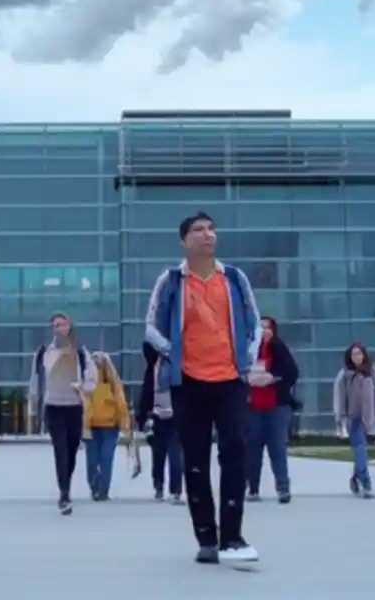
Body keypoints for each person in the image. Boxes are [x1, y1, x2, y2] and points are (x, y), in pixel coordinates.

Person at [145, 211, 262, 565]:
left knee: (235, 452)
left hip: (229, 380)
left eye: (212, 228)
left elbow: (255, 324)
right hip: (189, 382)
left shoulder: (234, 279)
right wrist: (173, 354)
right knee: (194, 460)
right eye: (198, 230)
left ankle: (234, 537)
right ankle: (206, 538)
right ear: (184, 240)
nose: (207, 235)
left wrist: (245, 361)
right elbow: (151, 327)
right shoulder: (171, 281)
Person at [27, 312, 97, 515]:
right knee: (60, 448)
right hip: (53, 406)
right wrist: (34, 406)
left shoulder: (81, 352)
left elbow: (91, 379)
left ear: (69, 326)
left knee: (72, 449)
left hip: (74, 406)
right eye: (56, 325)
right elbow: (35, 380)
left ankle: (66, 483)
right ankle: (64, 493)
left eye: (62, 324)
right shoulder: (43, 353)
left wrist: (82, 386)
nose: (59, 329)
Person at [246, 316, 300, 504]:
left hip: (276, 405)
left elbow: (292, 373)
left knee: (277, 447)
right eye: (260, 328)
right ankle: (252, 488)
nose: (264, 332)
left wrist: (273, 379)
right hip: (252, 405)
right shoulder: (248, 350)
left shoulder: (279, 349)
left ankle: (283, 488)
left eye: (267, 328)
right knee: (252, 448)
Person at [333, 342, 375, 499]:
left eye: (359, 353)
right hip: (353, 418)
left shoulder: (374, 373)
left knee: (360, 450)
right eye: (353, 354)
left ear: (364, 355)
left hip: (369, 418)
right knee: (360, 449)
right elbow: (339, 398)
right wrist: (340, 418)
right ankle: (366, 481)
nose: (357, 357)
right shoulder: (345, 375)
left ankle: (355, 478)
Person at [137, 341, 184, 504]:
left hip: (176, 416)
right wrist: (142, 418)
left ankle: (176, 490)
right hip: (156, 416)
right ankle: (158, 485)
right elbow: (146, 393)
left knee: (176, 455)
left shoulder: (180, 368)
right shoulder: (152, 368)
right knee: (158, 455)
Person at [82, 351, 132, 501]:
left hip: (110, 427)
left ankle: (102, 490)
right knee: (92, 460)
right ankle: (95, 487)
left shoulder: (113, 383)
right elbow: (84, 404)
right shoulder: (87, 382)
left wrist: (125, 426)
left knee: (106, 458)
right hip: (92, 427)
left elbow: (121, 404)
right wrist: (83, 426)